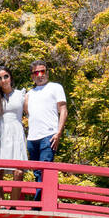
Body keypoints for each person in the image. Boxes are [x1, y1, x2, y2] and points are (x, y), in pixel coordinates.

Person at [24, 60, 67, 203]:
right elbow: (26, 112)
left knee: (45, 169)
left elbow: (63, 110)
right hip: (32, 137)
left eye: (43, 71)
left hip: (49, 135)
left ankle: (39, 205)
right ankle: (42, 202)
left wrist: (59, 132)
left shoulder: (55, 87)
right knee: (37, 173)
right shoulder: (29, 94)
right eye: (36, 73)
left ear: (47, 72)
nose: (40, 75)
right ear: (32, 76)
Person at [0, 66, 27, 203]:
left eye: (6, 76)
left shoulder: (21, 94)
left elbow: (30, 113)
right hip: (0, 132)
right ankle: (1, 205)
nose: (3, 80)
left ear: (11, 77)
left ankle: (13, 205)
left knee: (19, 171)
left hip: (16, 132)